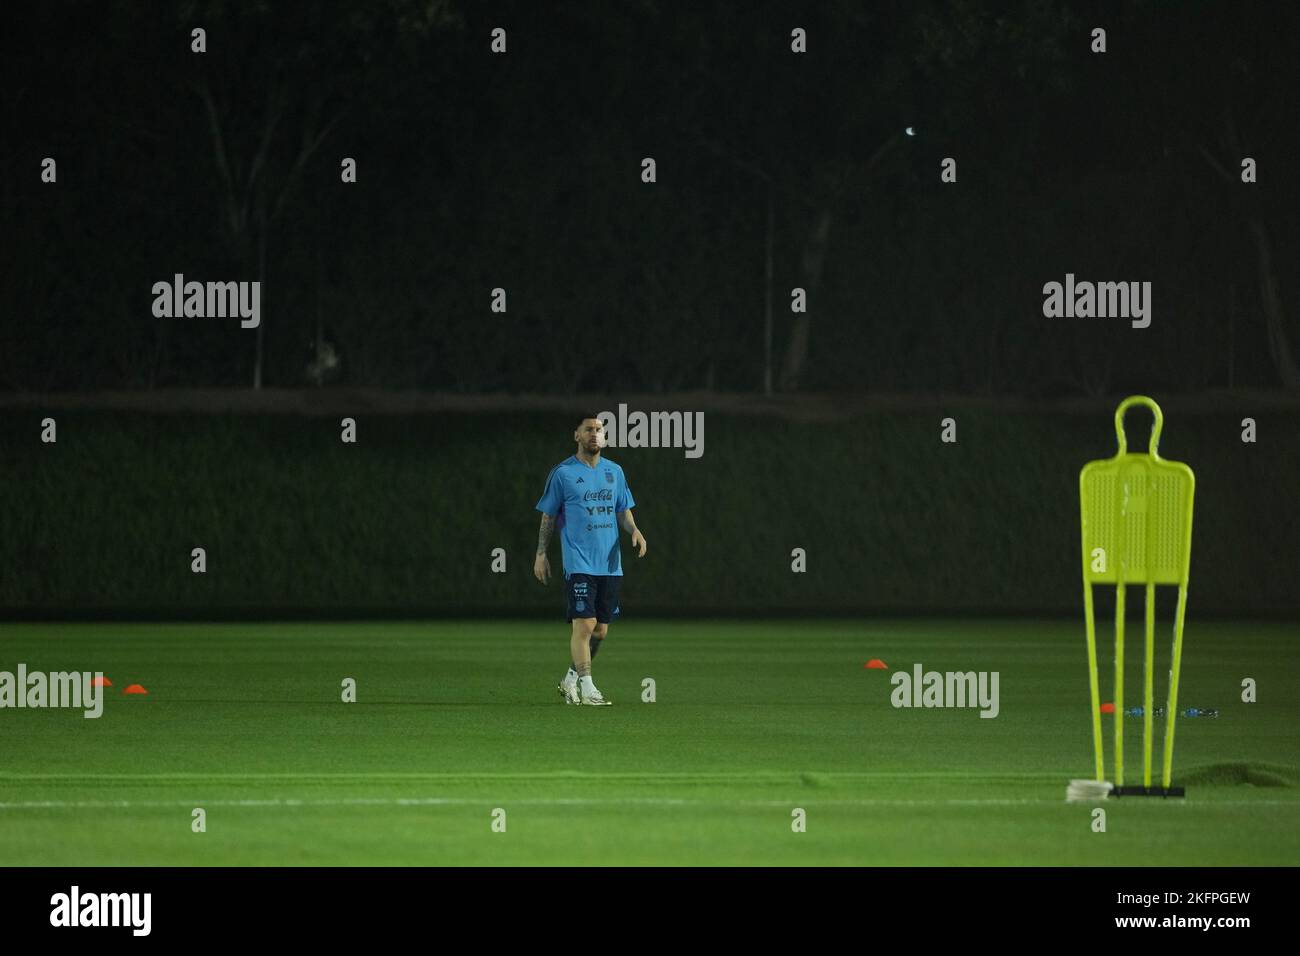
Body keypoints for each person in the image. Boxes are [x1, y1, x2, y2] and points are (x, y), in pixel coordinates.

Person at [534, 416, 647, 705]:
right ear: (577, 435)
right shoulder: (563, 474)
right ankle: (587, 689)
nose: (594, 434)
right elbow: (548, 516)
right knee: (584, 625)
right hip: (579, 562)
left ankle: (570, 679)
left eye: (599, 430)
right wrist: (541, 554)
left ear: (605, 437)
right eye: (588, 429)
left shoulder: (615, 472)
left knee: (600, 630)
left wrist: (634, 530)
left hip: (609, 564)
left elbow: (623, 510)